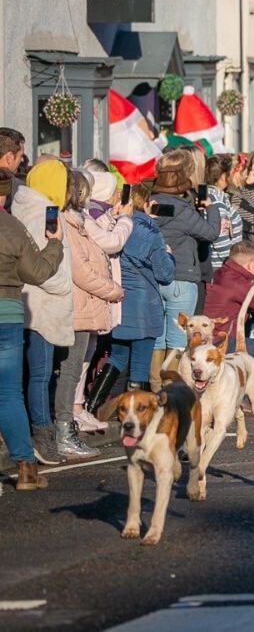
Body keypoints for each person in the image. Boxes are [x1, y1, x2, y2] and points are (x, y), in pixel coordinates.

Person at [0, 127, 66, 490]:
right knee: (8, 392)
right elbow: (36, 271)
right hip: (7, 311)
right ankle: (26, 468)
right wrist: (54, 244)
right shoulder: (13, 227)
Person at [14, 159, 74, 465]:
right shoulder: (45, 214)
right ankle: (42, 436)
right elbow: (48, 266)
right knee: (39, 375)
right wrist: (64, 285)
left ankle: (28, 433)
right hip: (42, 304)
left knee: (22, 375)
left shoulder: (19, 207)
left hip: (22, 302)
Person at [58, 170, 121, 461]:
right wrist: (111, 290)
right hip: (80, 305)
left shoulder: (78, 222)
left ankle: (70, 423)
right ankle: (64, 432)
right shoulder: (68, 224)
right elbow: (81, 271)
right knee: (70, 371)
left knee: (77, 367)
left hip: (88, 305)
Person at [110, 181, 176, 415]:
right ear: (147, 204)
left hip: (117, 302)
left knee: (116, 357)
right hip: (143, 307)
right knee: (139, 365)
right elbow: (165, 275)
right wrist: (169, 256)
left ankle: (98, 405)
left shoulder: (113, 225)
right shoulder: (150, 233)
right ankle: (134, 414)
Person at [202, 240, 254, 372]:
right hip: (219, 341)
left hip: (210, 337)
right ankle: (245, 387)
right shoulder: (237, 283)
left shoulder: (223, 273)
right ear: (249, 265)